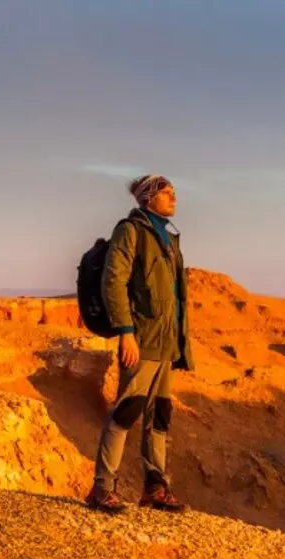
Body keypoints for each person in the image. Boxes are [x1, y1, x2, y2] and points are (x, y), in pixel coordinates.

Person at [85, 174, 195, 514]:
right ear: (148, 199)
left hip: (167, 343)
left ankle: (155, 486)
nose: (174, 198)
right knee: (127, 410)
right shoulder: (130, 231)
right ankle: (102, 487)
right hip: (142, 339)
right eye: (167, 193)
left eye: (175, 192)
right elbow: (113, 280)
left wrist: (180, 344)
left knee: (159, 415)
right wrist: (125, 331)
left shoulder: (169, 238)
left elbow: (176, 295)